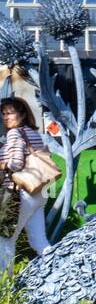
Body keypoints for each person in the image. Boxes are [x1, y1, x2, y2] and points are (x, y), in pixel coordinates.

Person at [0, 97, 53, 273]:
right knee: (39, 241)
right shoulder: (32, 132)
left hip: (21, 194)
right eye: (4, 114)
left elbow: (14, 164)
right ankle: (59, 270)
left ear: (22, 114)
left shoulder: (14, 133)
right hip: (39, 192)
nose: (6, 117)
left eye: (10, 113)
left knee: (5, 240)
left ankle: (4, 287)